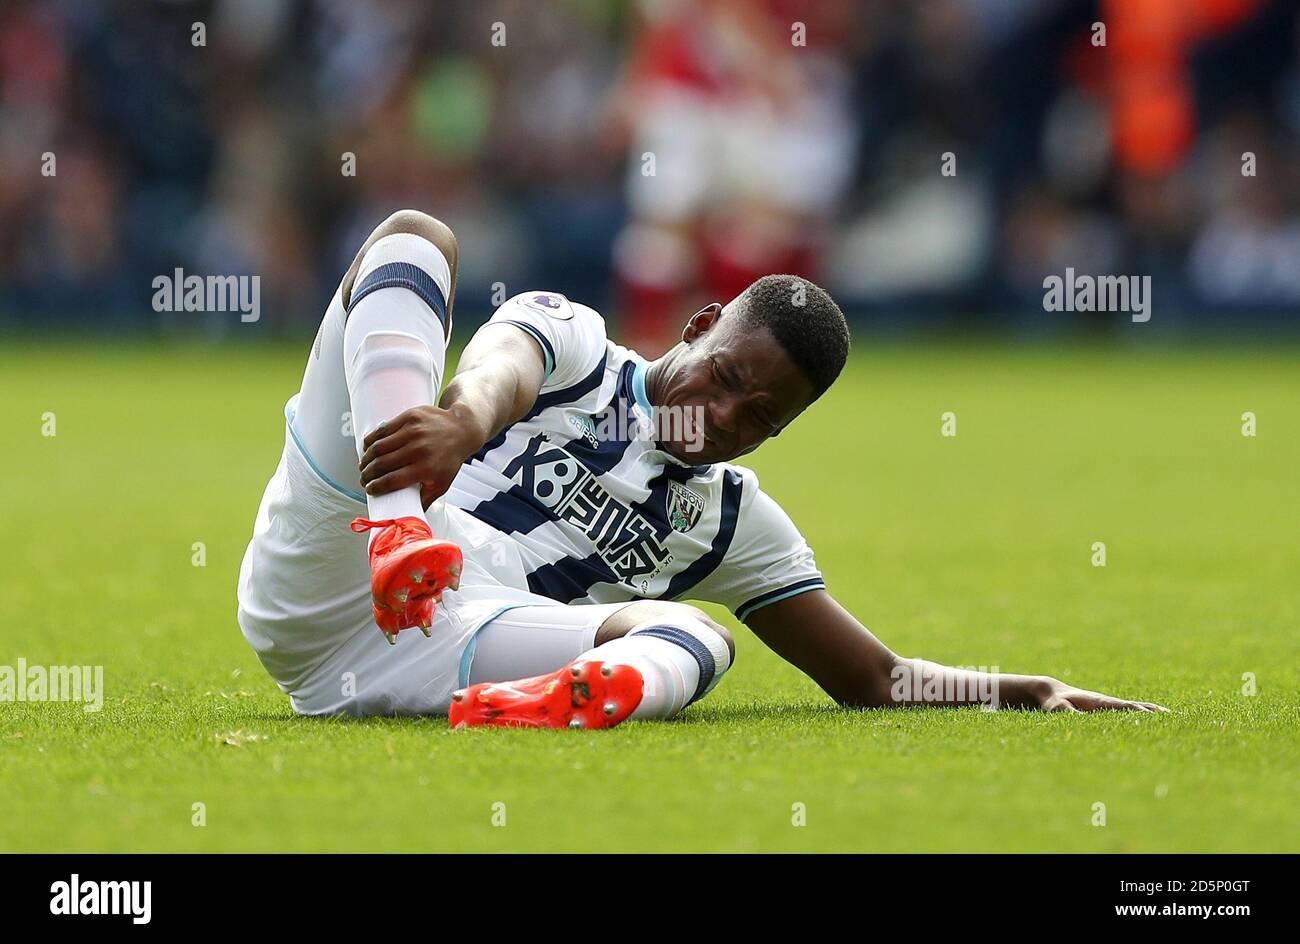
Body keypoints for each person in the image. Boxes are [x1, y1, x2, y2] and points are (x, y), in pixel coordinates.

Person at [236, 210, 1167, 728]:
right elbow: (499, 370)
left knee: (698, 636)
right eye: (723, 377)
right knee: (414, 237)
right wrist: (463, 422)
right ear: (696, 327)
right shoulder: (578, 344)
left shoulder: (733, 522)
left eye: (758, 418)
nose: (721, 418)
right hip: (337, 562)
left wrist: (1026, 691)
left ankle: (537, 709)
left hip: (465, 646)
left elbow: (878, 681)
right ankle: (398, 526)